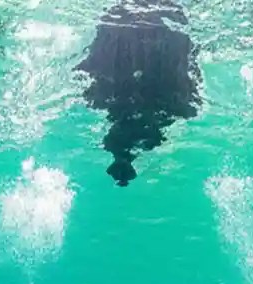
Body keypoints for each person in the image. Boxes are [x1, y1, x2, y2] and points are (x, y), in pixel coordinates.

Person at [76, 0, 202, 186]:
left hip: (134, 85)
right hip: (155, 89)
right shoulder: (173, 19)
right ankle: (124, 155)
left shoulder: (116, 19)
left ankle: (123, 156)